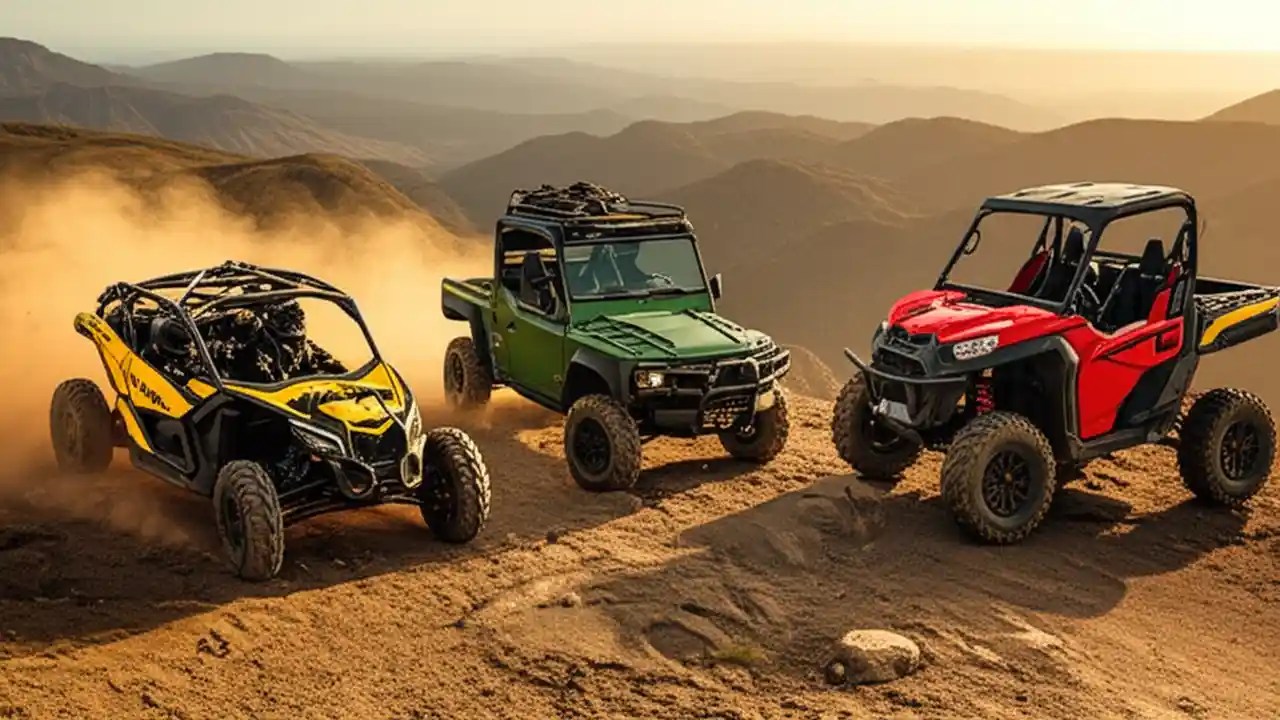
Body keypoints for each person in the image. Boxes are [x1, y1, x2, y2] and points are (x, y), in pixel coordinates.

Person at [259, 299, 348, 379]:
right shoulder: (262, 348)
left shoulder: (305, 345)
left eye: (296, 311)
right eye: (284, 316)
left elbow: (333, 368)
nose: (296, 318)